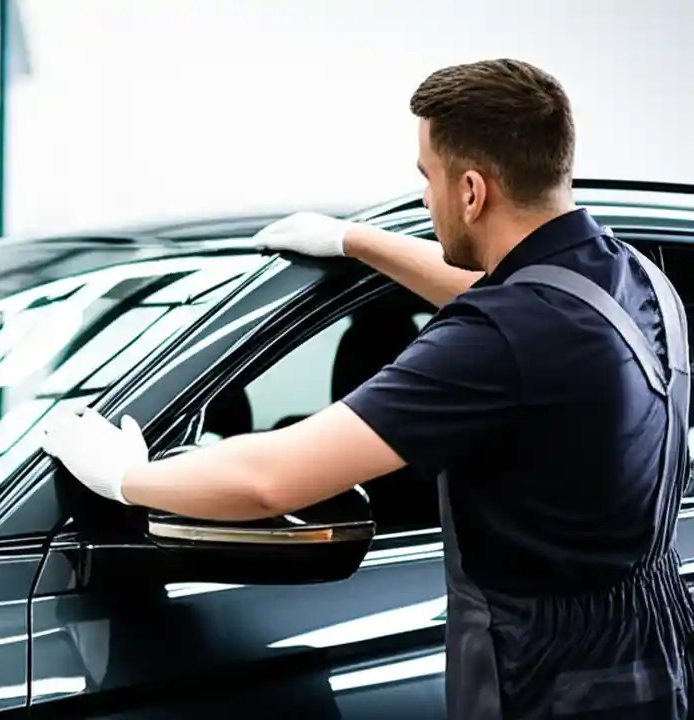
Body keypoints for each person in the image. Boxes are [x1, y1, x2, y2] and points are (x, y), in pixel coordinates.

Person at [41, 58, 694, 719]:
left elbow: (275, 479)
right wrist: (355, 241)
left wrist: (126, 477)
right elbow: (510, 301)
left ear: (471, 191)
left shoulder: (505, 334)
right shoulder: (634, 278)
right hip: (651, 657)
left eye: (426, 178)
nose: (423, 201)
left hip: (545, 680)